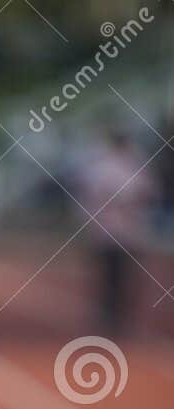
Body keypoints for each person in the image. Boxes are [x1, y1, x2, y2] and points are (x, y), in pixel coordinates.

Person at [73, 123, 156, 338]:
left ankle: (111, 318)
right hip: (123, 232)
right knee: (121, 278)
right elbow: (146, 196)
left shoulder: (103, 167)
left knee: (110, 278)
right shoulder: (133, 167)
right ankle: (117, 319)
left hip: (110, 231)